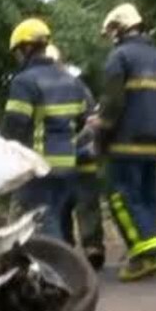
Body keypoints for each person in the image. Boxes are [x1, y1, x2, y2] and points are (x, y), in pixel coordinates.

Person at [93, 3, 156, 281]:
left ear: (119, 29)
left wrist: (101, 131)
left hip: (125, 141)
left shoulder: (120, 56)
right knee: (147, 198)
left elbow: (112, 103)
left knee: (120, 197)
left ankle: (143, 255)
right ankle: (155, 249)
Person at [0, 18, 87, 241]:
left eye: (17, 52)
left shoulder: (24, 82)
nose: (18, 58)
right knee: (57, 220)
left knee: (44, 228)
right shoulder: (71, 81)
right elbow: (84, 120)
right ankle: (66, 260)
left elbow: (15, 125)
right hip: (68, 166)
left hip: (39, 166)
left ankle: (58, 263)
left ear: (26, 48)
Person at [48, 45, 106, 268]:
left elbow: (91, 122)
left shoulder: (42, 87)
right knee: (81, 204)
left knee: (71, 204)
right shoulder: (78, 86)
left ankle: (79, 249)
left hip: (67, 156)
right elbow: (91, 120)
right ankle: (86, 248)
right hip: (76, 155)